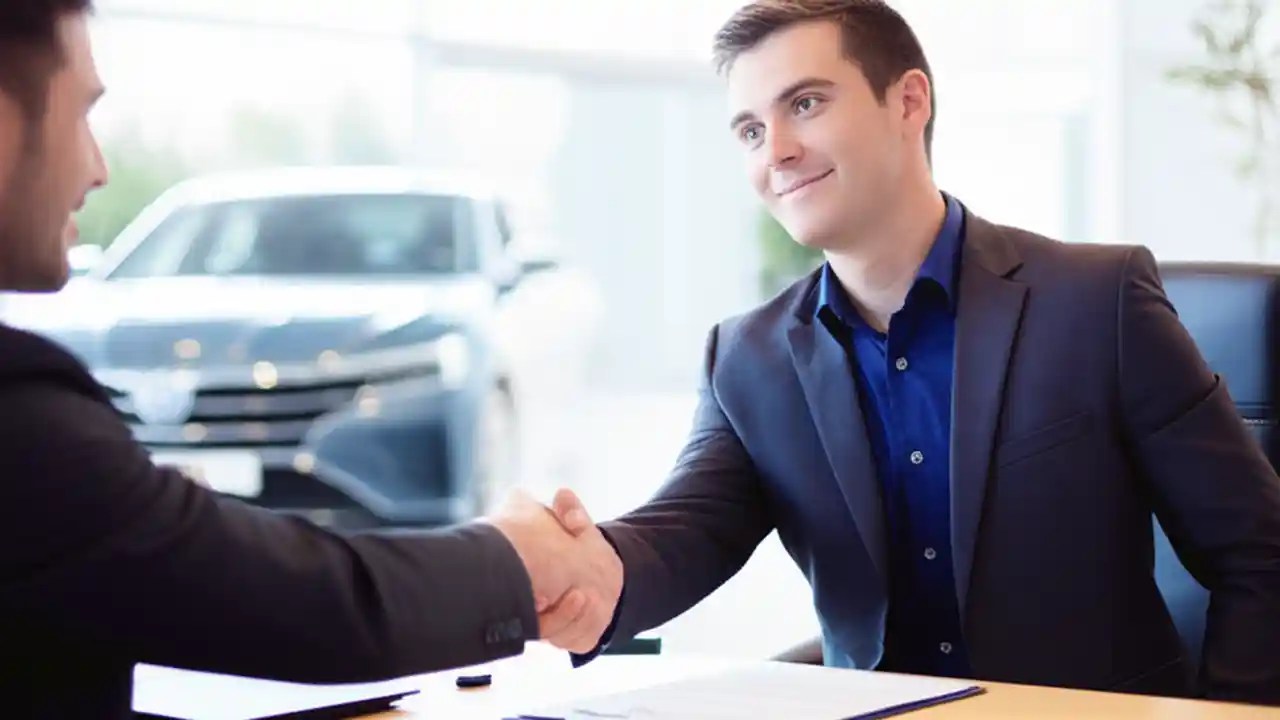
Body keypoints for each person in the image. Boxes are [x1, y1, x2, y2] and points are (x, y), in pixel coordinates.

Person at [534, 0, 1280, 705]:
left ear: (908, 103)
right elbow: (687, 531)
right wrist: (583, 573)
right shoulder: (747, 358)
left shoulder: (1096, 303)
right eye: (750, 131)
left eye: (805, 103)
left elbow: (1260, 556)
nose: (779, 151)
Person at [0, 3, 620, 718]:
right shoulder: (20, 407)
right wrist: (522, 559)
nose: (98, 168)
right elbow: (297, 602)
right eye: (82, 115)